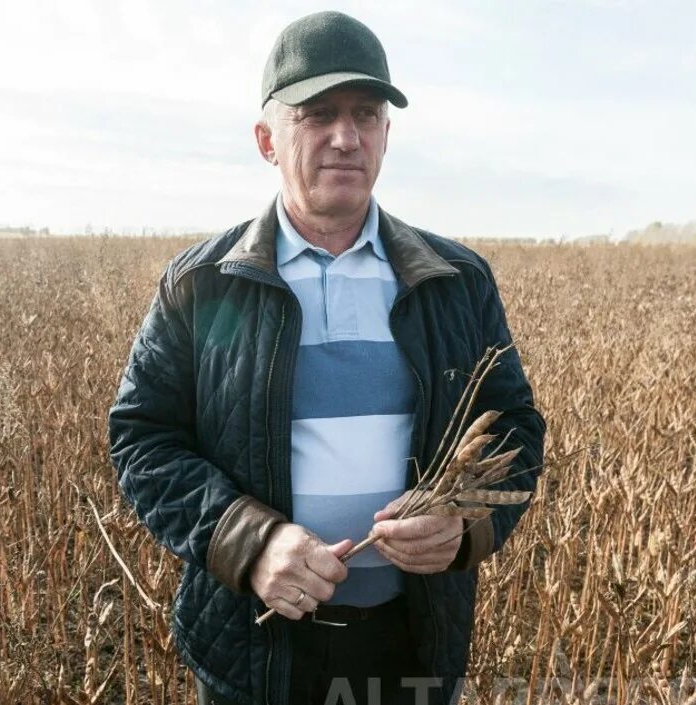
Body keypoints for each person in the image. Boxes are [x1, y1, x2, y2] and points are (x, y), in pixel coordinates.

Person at [109, 11, 545, 705]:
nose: (346, 137)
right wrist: (250, 543)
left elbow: (515, 426)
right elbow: (143, 439)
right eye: (318, 113)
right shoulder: (203, 285)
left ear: (386, 135)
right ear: (266, 140)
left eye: (365, 114)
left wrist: (463, 525)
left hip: (411, 643)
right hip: (256, 653)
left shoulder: (456, 283)